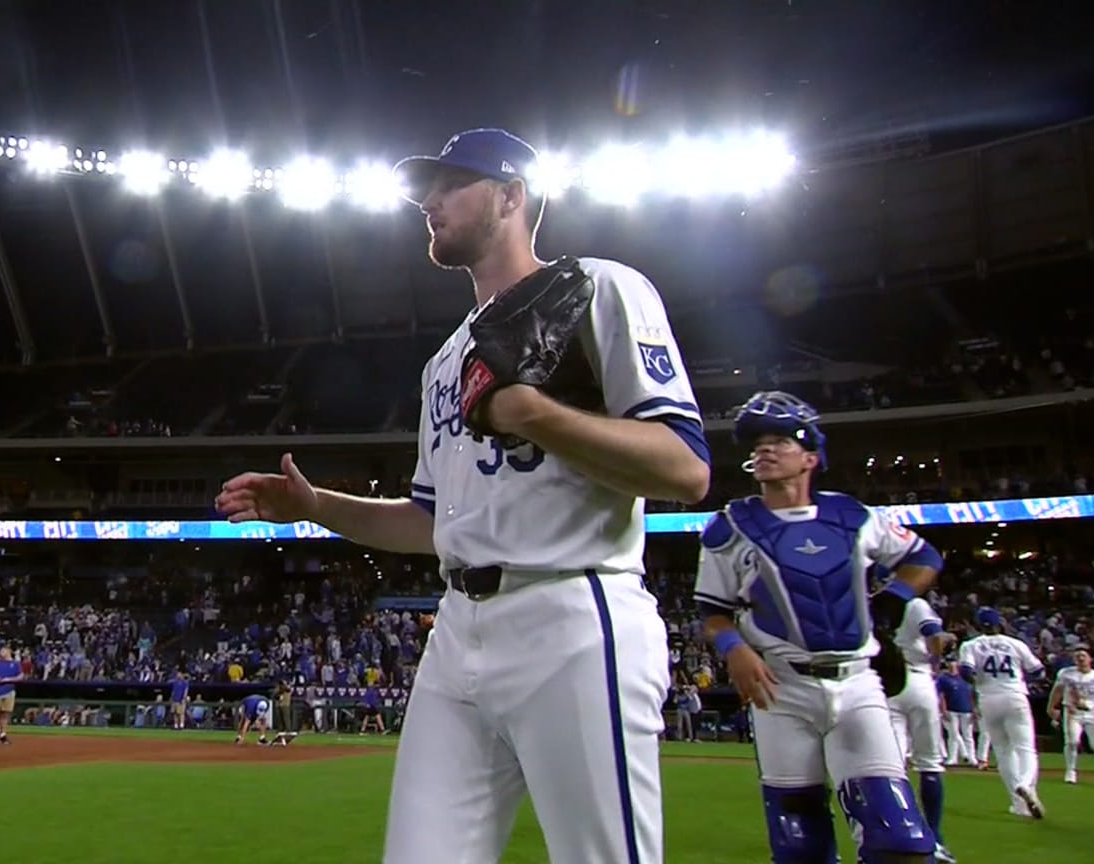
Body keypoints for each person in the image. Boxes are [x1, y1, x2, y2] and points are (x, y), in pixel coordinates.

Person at [216, 127, 709, 864]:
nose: (430, 200)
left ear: (512, 196)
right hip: (457, 633)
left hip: (572, 613)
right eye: (427, 188)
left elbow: (685, 468)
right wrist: (318, 508)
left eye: (453, 184)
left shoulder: (599, 288)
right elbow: (429, 523)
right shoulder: (444, 363)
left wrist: (534, 414)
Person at [694, 390, 944, 863]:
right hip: (780, 688)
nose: (763, 450)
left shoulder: (852, 516)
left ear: (809, 456)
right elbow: (711, 610)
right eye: (757, 444)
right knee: (800, 844)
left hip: (857, 685)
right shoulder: (730, 527)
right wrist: (734, 649)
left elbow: (924, 557)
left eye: (778, 441)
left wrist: (890, 605)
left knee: (900, 839)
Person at [885, 586, 957, 861]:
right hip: (918, 679)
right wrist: (937, 660)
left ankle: (901, 832)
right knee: (929, 761)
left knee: (891, 763)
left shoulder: (870, 604)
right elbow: (934, 636)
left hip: (886, 683)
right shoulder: (914, 603)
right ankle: (935, 839)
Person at [958, 607, 1046, 817]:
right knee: (1025, 749)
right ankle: (1026, 785)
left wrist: (981, 681)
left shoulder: (971, 645)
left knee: (1003, 751)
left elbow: (965, 672)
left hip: (989, 699)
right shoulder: (1016, 644)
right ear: (1001, 623)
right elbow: (1039, 671)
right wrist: (1022, 680)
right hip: (1015, 696)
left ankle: (1018, 805)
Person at [1046, 647, 1094, 786]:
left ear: (1090, 658)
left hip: (1092, 712)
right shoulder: (1067, 673)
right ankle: (1070, 772)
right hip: (1072, 712)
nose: (1081, 659)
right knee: (1072, 742)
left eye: (1083, 656)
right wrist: (1051, 707)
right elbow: (1057, 690)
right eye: (1077, 656)